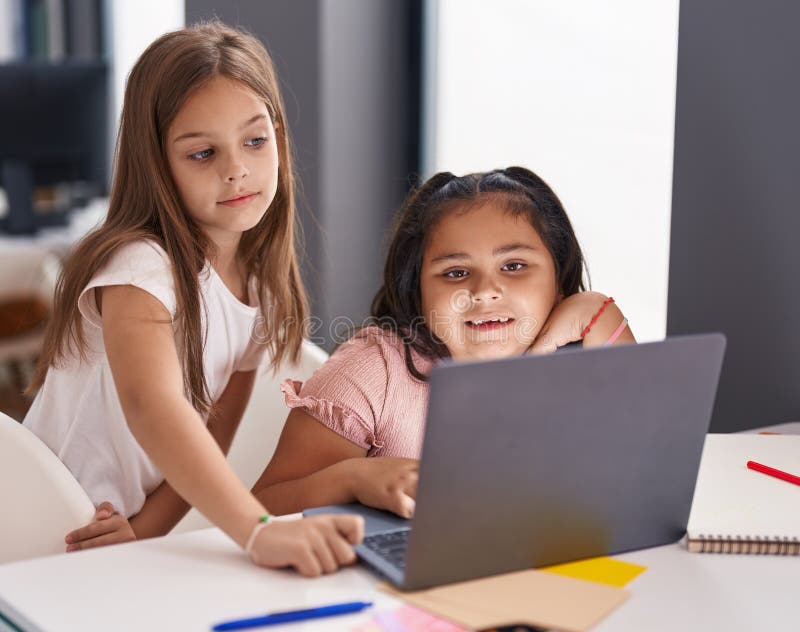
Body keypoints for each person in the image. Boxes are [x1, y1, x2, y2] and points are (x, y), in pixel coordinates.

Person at [23, 22, 363, 577]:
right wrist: (258, 534)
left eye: (254, 141)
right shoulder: (140, 267)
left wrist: (140, 535)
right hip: (44, 523)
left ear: (278, 135)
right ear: (157, 163)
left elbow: (212, 435)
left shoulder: (261, 289)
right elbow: (154, 410)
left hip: (113, 537)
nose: (236, 169)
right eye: (203, 153)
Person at [252, 167, 635, 518]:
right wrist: (352, 478)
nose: (485, 291)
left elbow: (641, 477)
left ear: (559, 278)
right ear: (417, 291)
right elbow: (261, 510)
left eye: (514, 266)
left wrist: (603, 318)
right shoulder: (374, 371)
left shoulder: (582, 354)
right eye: (455, 272)